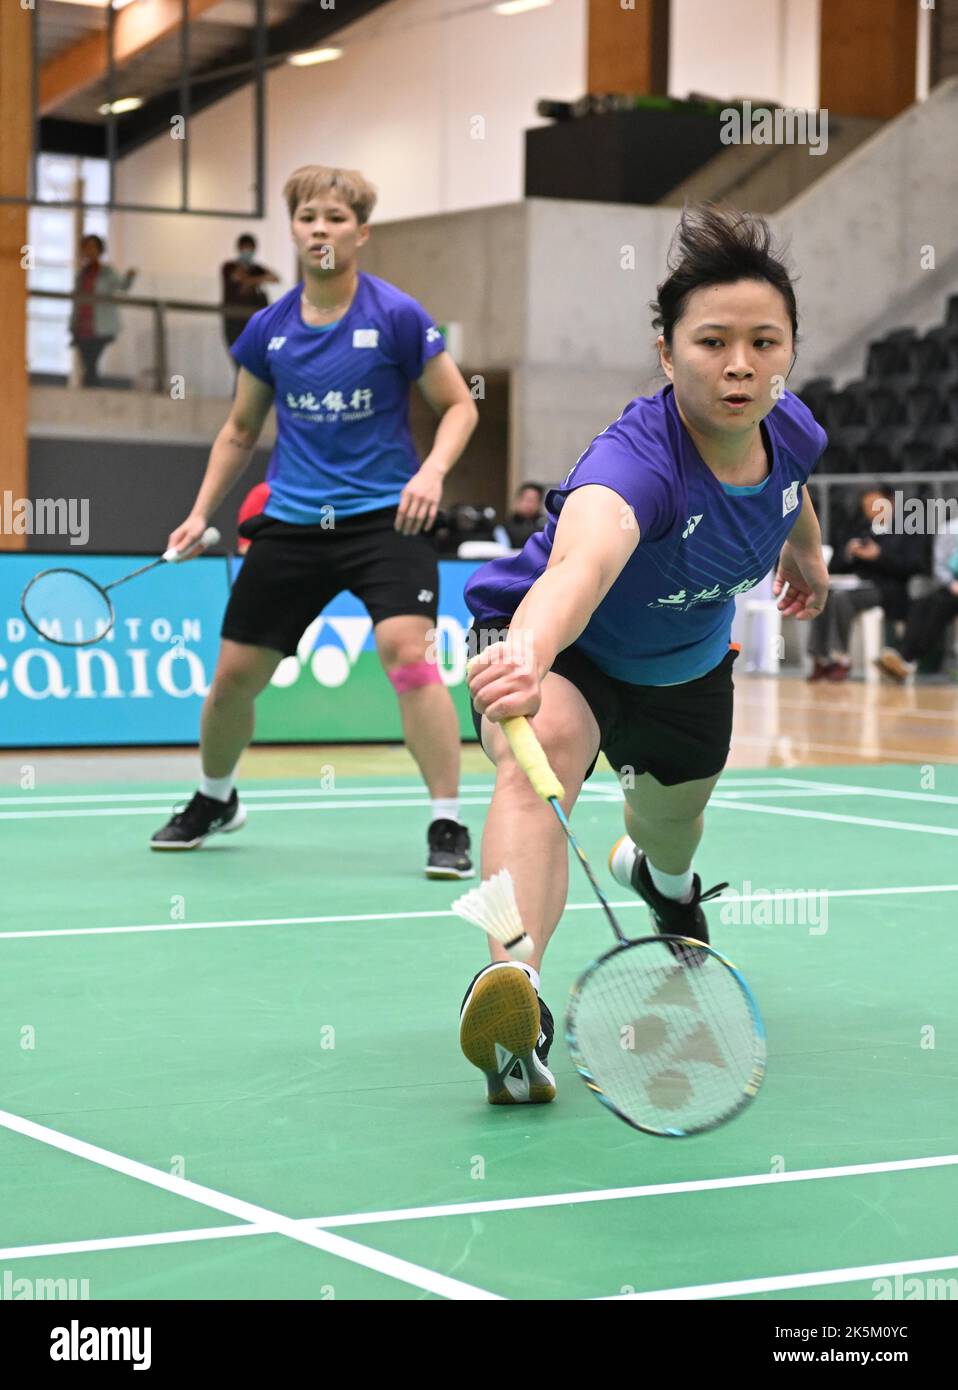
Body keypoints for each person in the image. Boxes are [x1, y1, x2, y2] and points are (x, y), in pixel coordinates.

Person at [458, 203, 829, 1106]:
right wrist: (528, 655)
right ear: (667, 354)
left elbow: (791, 491)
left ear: (788, 350)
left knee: (672, 827)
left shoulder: (794, 432)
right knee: (533, 767)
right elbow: (579, 570)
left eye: (764, 342)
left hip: (688, 666)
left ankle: (663, 884)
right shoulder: (636, 469)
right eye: (711, 343)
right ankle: (517, 990)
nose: (739, 364)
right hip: (564, 654)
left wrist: (805, 553)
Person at [152, 164, 480, 878]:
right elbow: (241, 430)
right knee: (234, 676)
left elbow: (460, 404)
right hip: (293, 520)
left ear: (360, 232)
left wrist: (432, 472)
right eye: (307, 218)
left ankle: (447, 821)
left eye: (335, 218)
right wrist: (199, 514)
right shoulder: (268, 329)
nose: (320, 230)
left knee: (409, 655)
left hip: (385, 519)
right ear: (293, 229)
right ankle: (216, 797)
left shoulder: (396, 316)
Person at [806, 487, 926, 681]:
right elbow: (834, 566)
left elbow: (912, 565)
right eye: (867, 506)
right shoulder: (861, 529)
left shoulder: (907, 530)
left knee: (841, 598)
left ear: (891, 503)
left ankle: (840, 657)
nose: (871, 510)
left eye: (876, 504)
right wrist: (848, 553)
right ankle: (821, 658)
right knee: (823, 596)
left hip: (887, 589)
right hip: (855, 584)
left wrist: (879, 556)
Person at [875, 523, 958, 680]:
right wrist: (951, 583)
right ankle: (905, 657)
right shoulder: (951, 529)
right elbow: (939, 566)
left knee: (941, 606)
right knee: (924, 603)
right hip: (952, 587)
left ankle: (907, 658)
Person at [69, 235, 136, 388]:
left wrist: (130, 277)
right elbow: (77, 301)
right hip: (82, 326)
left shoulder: (107, 272)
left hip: (100, 325)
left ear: (99, 250)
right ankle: (91, 389)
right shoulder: (81, 274)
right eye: (86, 247)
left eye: (92, 247)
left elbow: (123, 286)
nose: (89, 251)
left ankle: (90, 390)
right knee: (88, 363)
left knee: (91, 362)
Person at [221, 234, 280, 354]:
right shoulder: (229, 267)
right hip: (233, 319)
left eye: (250, 249)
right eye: (245, 248)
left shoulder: (255, 268)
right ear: (239, 248)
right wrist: (261, 279)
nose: (248, 252)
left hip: (252, 320)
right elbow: (241, 278)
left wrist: (257, 277)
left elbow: (275, 278)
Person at [494, 483, 546, 549]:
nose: (529, 505)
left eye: (533, 501)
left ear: (540, 503)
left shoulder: (546, 526)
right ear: (517, 501)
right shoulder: (504, 527)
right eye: (527, 500)